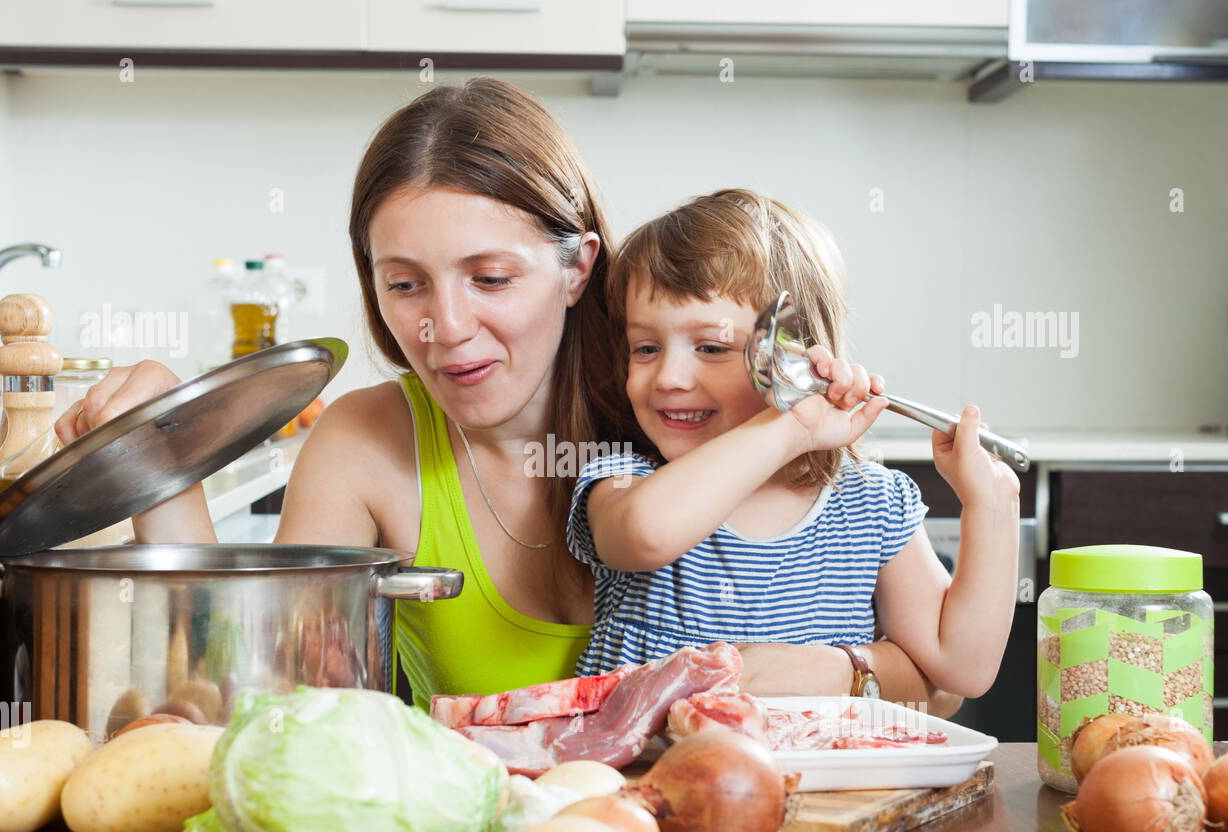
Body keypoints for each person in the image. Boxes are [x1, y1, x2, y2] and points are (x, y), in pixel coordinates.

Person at [55, 79, 958, 716]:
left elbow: (947, 676)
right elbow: (262, 700)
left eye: (490, 278)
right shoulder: (369, 443)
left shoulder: (684, 408)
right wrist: (160, 458)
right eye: (405, 285)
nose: (444, 327)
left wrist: (825, 670)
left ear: (578, 267)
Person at [568, 189, 1021, 702]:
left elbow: (962, 670)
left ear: (798, 361)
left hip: (823, 781)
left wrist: (993, 505)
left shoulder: (868, 503)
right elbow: (644, 535)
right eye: (645, 348)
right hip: (650, 775)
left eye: (712, 348)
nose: (669, 376)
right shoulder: (626, 479)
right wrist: (793, 428)